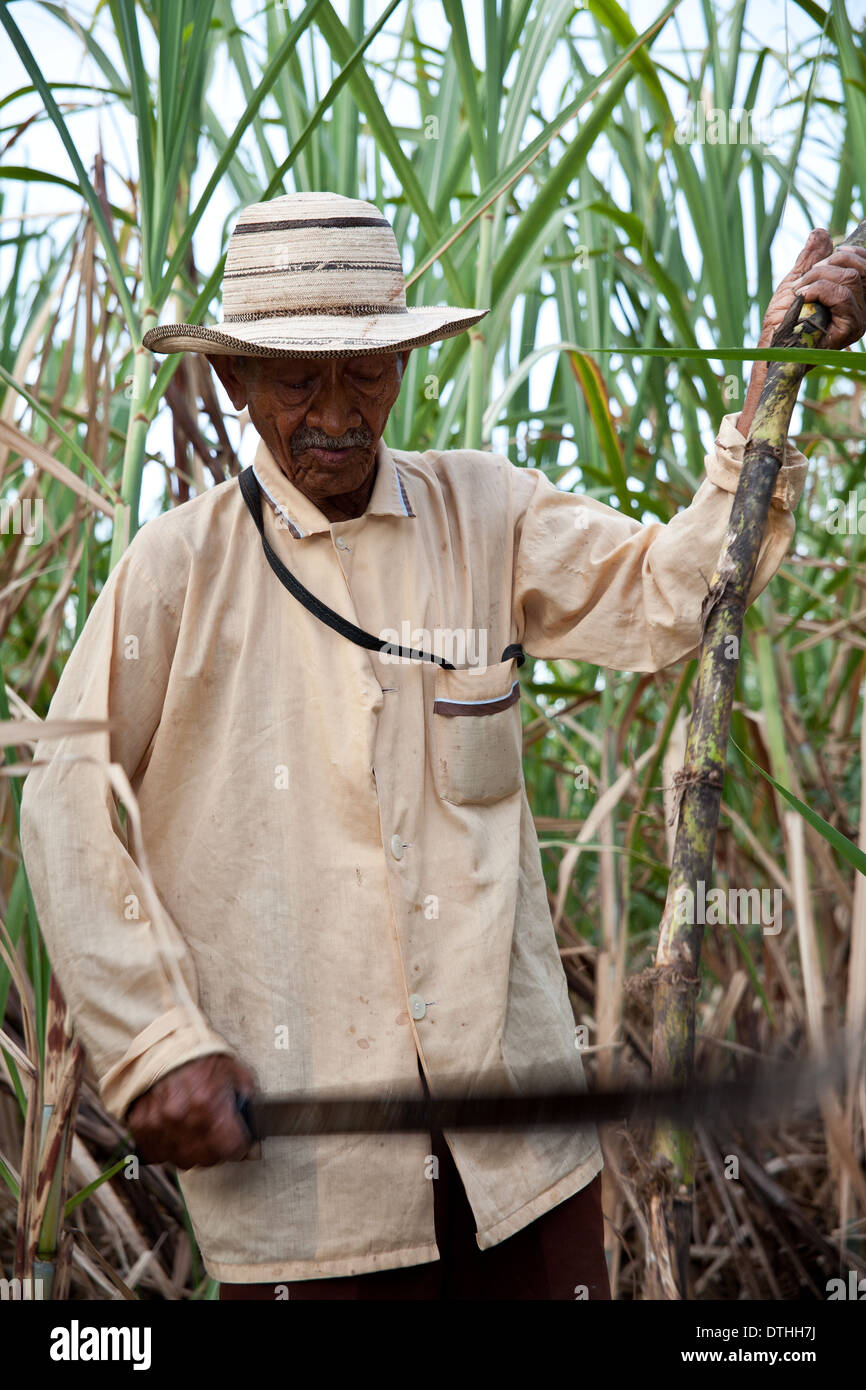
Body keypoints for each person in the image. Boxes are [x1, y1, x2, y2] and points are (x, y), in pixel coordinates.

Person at [19, 191, 866, 1300]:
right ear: (234, 382)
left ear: (403, 363)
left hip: (523, 1171)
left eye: (363, 371)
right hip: (312, 1196)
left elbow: (675, 593)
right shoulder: (174, 574)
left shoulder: (483, 512)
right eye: (296, 377)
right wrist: (156, 1044)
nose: (336, 411)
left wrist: (769, 394)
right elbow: (63, 803)